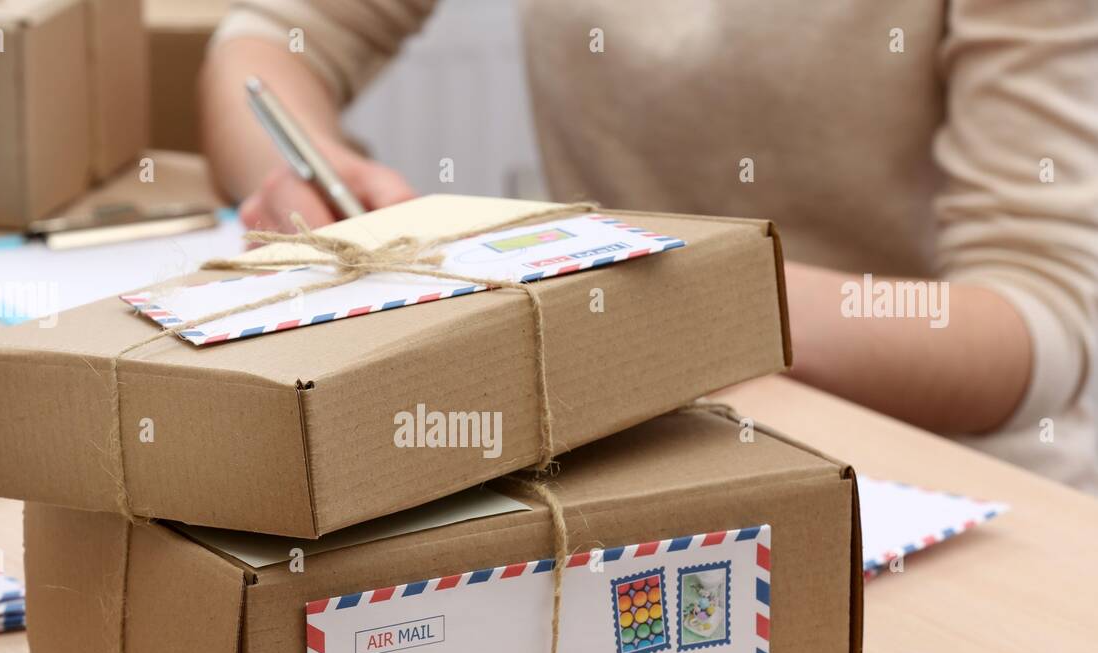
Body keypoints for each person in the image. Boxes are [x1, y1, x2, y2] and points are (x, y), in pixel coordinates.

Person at [200, 0, 1098, 491]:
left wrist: (661, 286)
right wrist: (300, 188)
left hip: (947, 480)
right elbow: (267, 40)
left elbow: (1044, 326)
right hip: (639, 438)